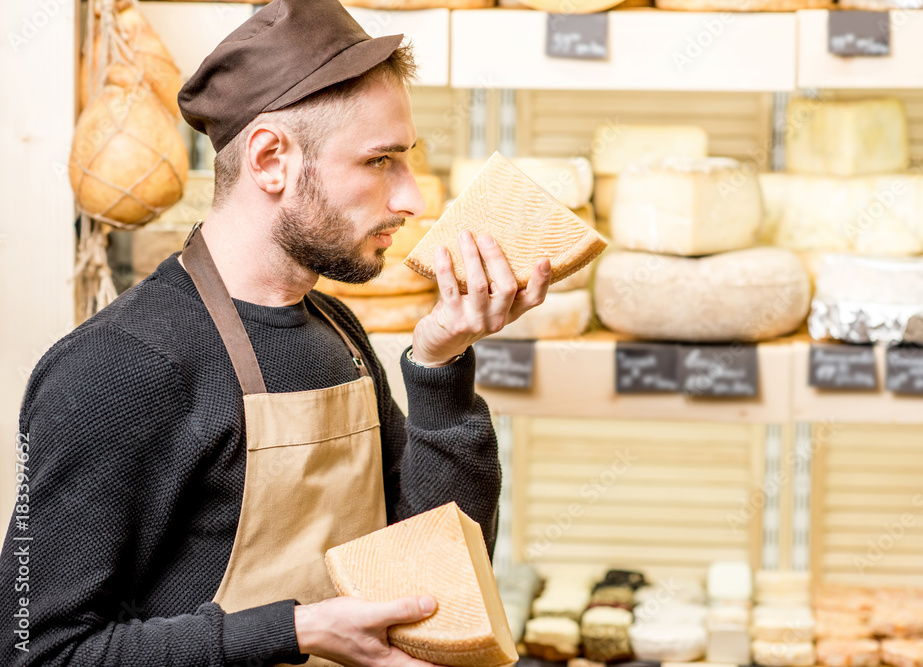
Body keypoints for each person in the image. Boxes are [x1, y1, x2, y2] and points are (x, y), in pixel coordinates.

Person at [0, 0, 551, 664]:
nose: (412, 200)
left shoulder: (337, 333)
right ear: (270, 160)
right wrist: (294, 630)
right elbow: (34, 647)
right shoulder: (116, 369)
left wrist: (440, 361)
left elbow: (436, 584)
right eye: (381, 162)